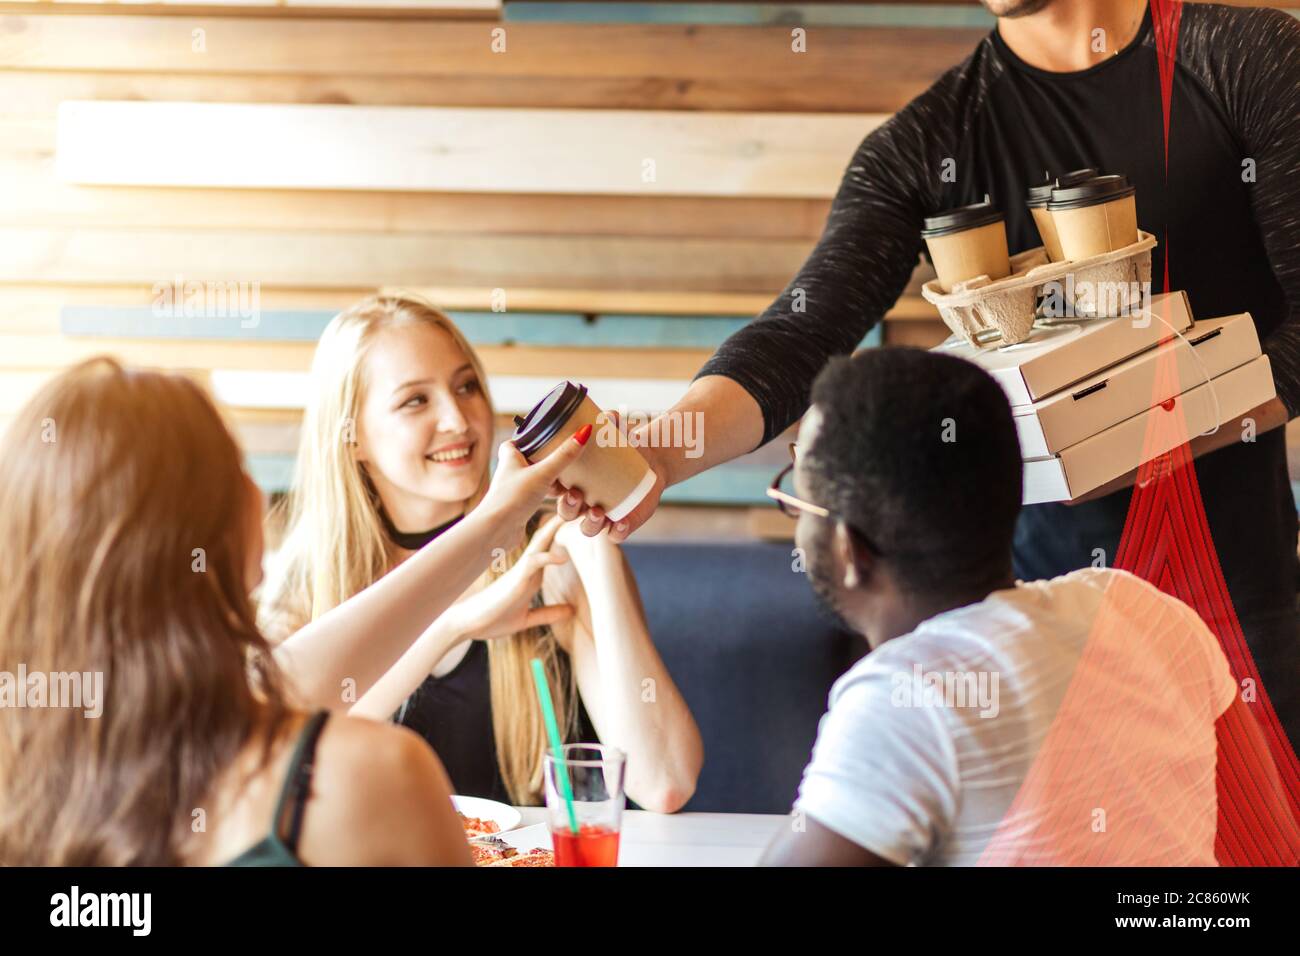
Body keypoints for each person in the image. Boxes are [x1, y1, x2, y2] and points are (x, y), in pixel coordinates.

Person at [559, 0, 1300, 753]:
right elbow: (805, 329)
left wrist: (1169, 421)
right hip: (1026, 629)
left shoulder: (1241, 58)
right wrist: (660, 453)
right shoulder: (929, 141)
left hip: (1241, 612)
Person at [0, 357, 587, 865]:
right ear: (228, 526)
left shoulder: (26, 781)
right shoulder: (374, 779)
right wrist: (498, 525)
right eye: (238, 467)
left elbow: (281, 681)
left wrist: (493, 527)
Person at [757, 348, 1298, 866]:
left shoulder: (908, 699)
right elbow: (1270, 848)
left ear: (850, 550)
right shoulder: (1144, 609)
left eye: (798, 500)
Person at [260, 295, 701, 811]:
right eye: (415, 401)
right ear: (352, 437)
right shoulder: (305, 580)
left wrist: (596, 539)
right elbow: (281, 761)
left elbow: (664, 781)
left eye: (466, 386)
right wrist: (454, 625)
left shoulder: (549, 555)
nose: (458, 419)